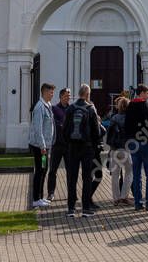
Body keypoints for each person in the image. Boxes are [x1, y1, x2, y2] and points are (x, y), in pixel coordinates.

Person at [63, 83, 101, 218]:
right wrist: (95, 145)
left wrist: (69, 143)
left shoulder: (70, 108)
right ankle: (85, 208)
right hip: (87, 147)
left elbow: (65, 129)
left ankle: (71, 208)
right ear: (87, 94)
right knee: (87, 177)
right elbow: (96, 131)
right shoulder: (91, 109)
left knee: (72, 177)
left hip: (72, 147)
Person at [124, 83, 148, 211]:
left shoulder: (130, 105)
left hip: (133, 142)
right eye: (147, 93)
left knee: (136, 174)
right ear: (142, 93)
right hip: (144, 142)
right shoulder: (145, 105)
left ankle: (138, 202)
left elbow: (126, 125)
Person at [28, 82, 55, 207]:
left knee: (44, 169)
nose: (52, 94)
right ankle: (35, 199)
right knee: (39, 170)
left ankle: (40, 197)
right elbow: (38, 128)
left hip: (45, 146)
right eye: (51, 92)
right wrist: (42, 146)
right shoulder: (39, 107)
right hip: (40, 146)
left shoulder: (47, 105)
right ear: (44, 92)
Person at [106, 96, 133, 204]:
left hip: (114, 149)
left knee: (115, 174)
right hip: (125, 149)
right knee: (129, 172)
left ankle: (116, 198)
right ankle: (124, 196)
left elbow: (109, 133)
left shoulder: (114, 118)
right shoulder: (129, 118)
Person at [46, 87, 71, 201]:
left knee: (71, 171)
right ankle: (51, 193)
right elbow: (53, 122)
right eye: (66, 96)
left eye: (69, 96)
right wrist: (62, 125)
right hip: (57, 144)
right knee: (52, 170)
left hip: (69, 145)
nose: (68, 97)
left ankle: (71, 193)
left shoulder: (72, 109)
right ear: (61, 97)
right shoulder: (54, 109)